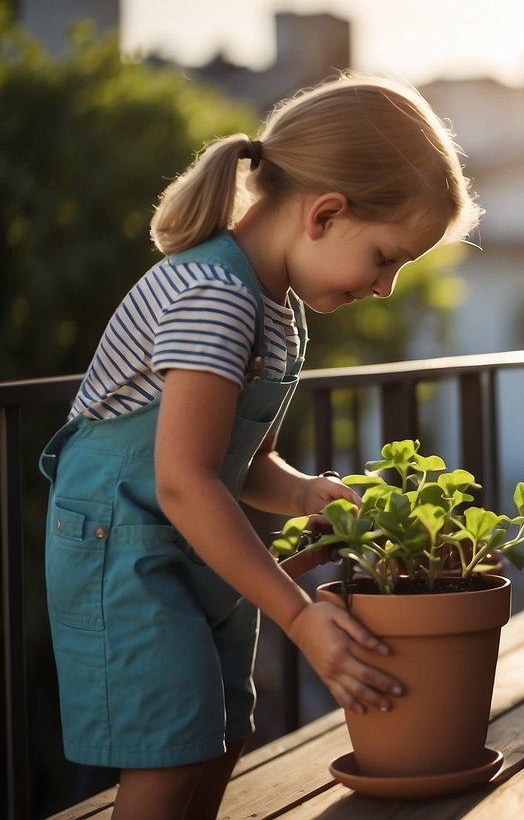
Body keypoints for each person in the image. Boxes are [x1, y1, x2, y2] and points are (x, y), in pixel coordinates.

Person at [38, 73, 480, 819]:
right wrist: (300, 615)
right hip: (124, 551)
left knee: (216, 742)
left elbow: (242, 468)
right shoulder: (217, 292)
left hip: (195, 544)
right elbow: (183, 479)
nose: (384, 288)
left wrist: (306, 492)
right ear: (326, 213)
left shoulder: (278, 309)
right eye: (384, 257)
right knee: (169, 761)